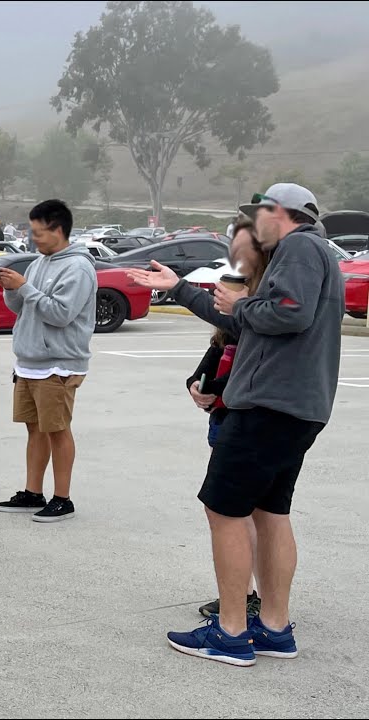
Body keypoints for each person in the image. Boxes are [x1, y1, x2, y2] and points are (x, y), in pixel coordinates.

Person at [127, 183, 343, 666]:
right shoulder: (315, 252)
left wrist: (240, 306)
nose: (253, 222)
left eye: (259, 212)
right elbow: (250, 322)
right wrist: (179, 289)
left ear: (282, 213)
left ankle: (229, 632)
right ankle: (273, 628)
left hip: (267, 407)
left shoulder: (299, 245)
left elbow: (288, 314)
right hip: (295, 408)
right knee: (270, 514)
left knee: (224, 511)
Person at [186, 217, 269, 619]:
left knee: (237, 513)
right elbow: (216, 352)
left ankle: (247, 601)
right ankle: (253, 597)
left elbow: (248, 366)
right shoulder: (236, 292)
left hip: (247, 418)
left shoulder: (265, 302)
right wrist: (195, 384)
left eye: (239, 244)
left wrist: (216, 390)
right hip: (222, 421)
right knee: (242, 512)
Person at [0, 199, 96, 522]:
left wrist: (25, 288)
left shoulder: (78, 267)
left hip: (58, 364)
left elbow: (61, 314)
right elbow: (22, 308)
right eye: (32, 232)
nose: (33, 239)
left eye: (39, 233)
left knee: (57, 430)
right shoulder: (39, 263)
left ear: (58, 230)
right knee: (34, 429)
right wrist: (11, 289)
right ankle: (32, 492)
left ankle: (62, 498)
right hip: (29, 362)